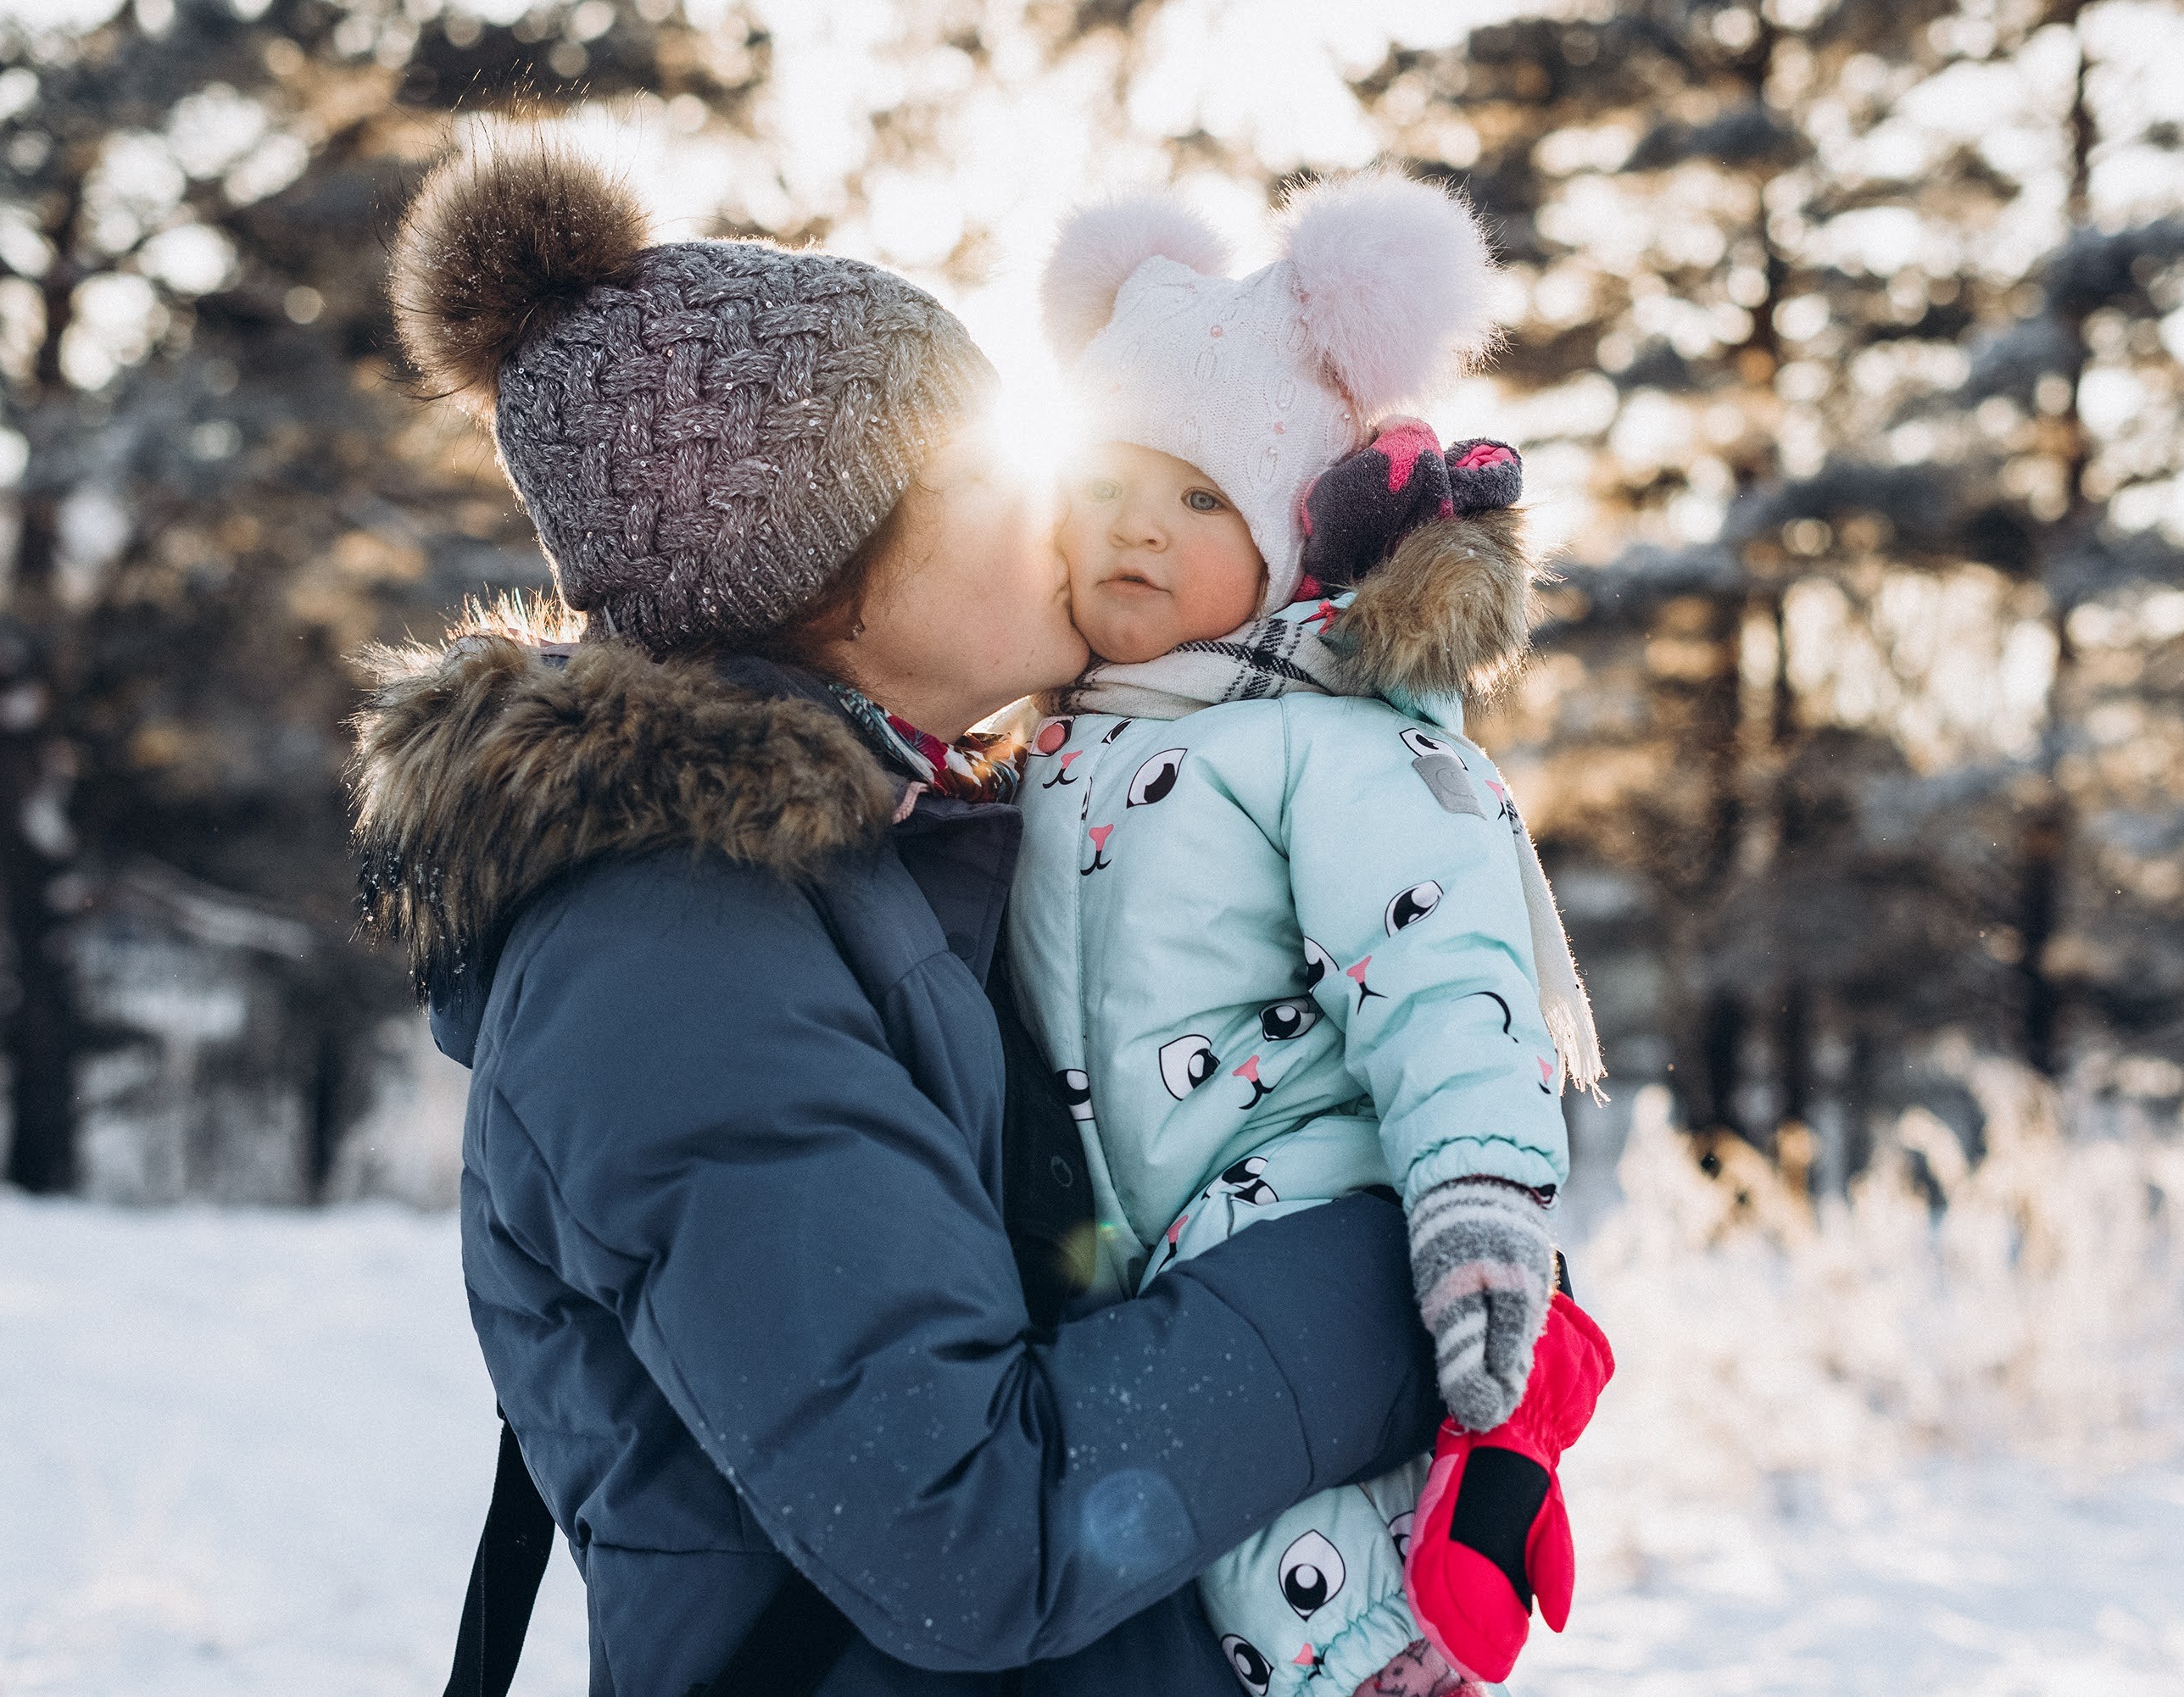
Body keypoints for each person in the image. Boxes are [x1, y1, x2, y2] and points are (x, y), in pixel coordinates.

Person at [350, 128, 1450, 1697]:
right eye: (989, 471)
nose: (1065, 505)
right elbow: (964, 1534)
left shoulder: (900, 853)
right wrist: (1382, 1278)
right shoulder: (671, 959)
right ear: (828, 575)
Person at [1006, 177, 1617, 1695]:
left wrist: (1479, 1200)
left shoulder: (1333, 744)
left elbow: (1447, 975)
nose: (1140, 521)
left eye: (1203, 496)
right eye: (1113, 476)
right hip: (1147, 1276)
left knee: (1345, 1585)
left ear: (1288, 540)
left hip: (1314, 1233)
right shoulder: (1039, 745)